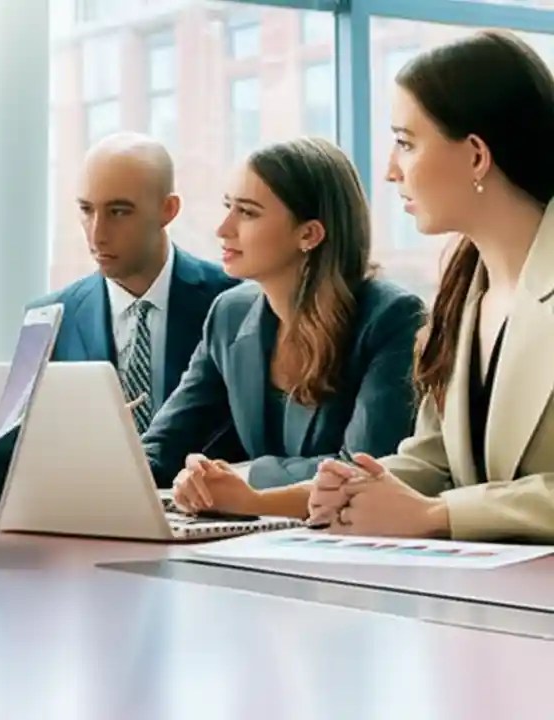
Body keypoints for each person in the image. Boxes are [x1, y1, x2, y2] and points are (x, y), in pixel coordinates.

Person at [305, 30, 554, 542]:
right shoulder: (466, 290)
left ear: (477, 155)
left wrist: (437, 516)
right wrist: (358, 487)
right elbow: (440, 458)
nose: (392, 170)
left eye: (405, 142)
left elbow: (447, 501)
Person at [157, 137, 423, 498]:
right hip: (258, 537)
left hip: (351, 537)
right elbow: (167, 444)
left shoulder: (392, 317)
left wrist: (249, 475)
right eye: (227, 207)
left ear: (309, 234)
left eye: (247, 212)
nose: (223, 228)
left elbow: (365, 468)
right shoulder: (229, 314)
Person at [29, 132, 240, 437]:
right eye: (87, 210)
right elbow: (21, 449)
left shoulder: (235, 301)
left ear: (168, 210)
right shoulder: (47, 319)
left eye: (118, 212)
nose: (97, 234)